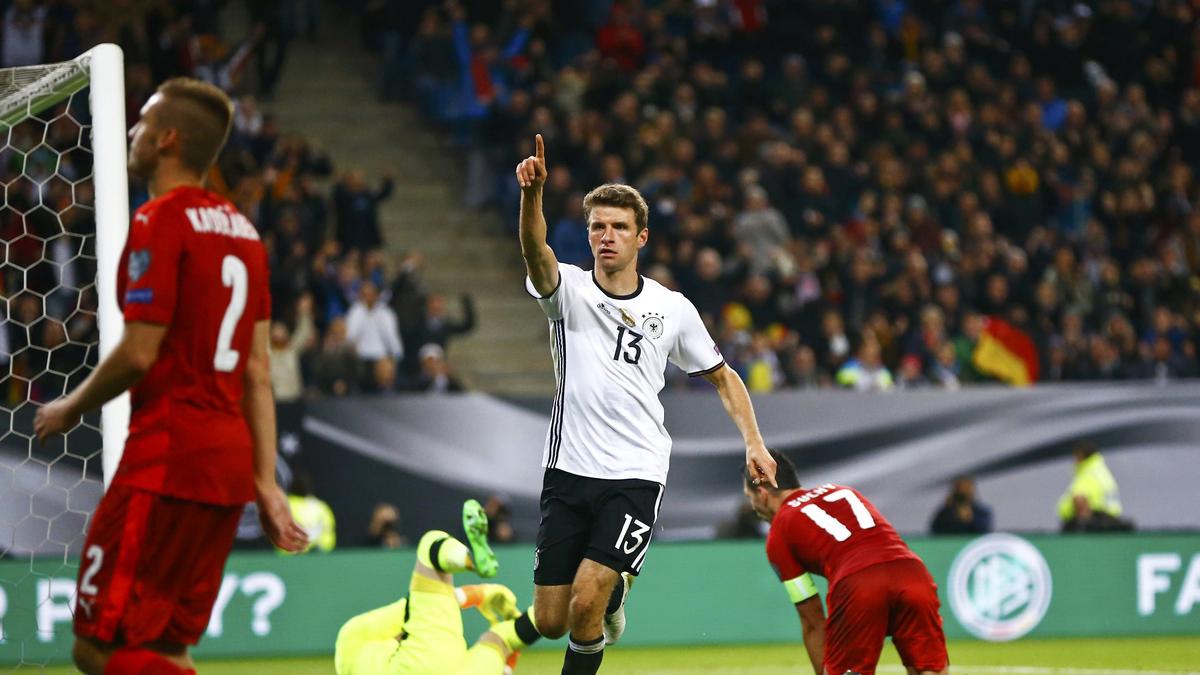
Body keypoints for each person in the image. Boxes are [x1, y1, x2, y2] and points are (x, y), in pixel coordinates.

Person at [33, 77, 307, 675]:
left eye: (143, 123)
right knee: (168, 647)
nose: (132, 132)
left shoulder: (159, 220)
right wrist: (265, 482)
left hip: (166, 460)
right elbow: (257, 371)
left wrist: (69, 407)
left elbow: (139, 354)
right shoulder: (245, 234)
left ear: (167, 140)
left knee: (95, 646)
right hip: (226, 469)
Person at [514, 134, 777, 674]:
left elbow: (724, 378)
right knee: (551, 620)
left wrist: (754, 442)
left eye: (618, 227)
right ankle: (613, 596)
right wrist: (532, 196)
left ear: (642, 237)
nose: (606, 237)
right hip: (568, 470)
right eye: (597, 227)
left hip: (636, 473)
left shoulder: (671, 308)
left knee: (585, 602)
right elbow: (535, 252)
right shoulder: (568, 292)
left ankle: (606, 594)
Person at [743, 450, 949, 675]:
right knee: (929, 669)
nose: (752, 506)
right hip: (912, 573)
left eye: (749, 497)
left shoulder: (779, 531)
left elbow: (812, 620)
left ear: (762, 494)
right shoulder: (842, 490)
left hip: (858, 583)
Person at [335, 500, 540, 675]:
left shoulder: (353, 650)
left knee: (502, 640)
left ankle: (544, 615)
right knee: (429, 546)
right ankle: (468, 560)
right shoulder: (351, 636)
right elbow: (412, 609)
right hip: (422, 662)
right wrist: (477, 594)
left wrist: (479, 594)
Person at [1058, 441, 1133, 532]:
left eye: (1075, 457)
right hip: (1110, 524)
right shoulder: (1101, 471)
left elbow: (1080, 500)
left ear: (1080, 456)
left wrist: (1082, 528)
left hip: (1094, 527)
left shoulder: (1087, 473)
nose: (1074, 461)